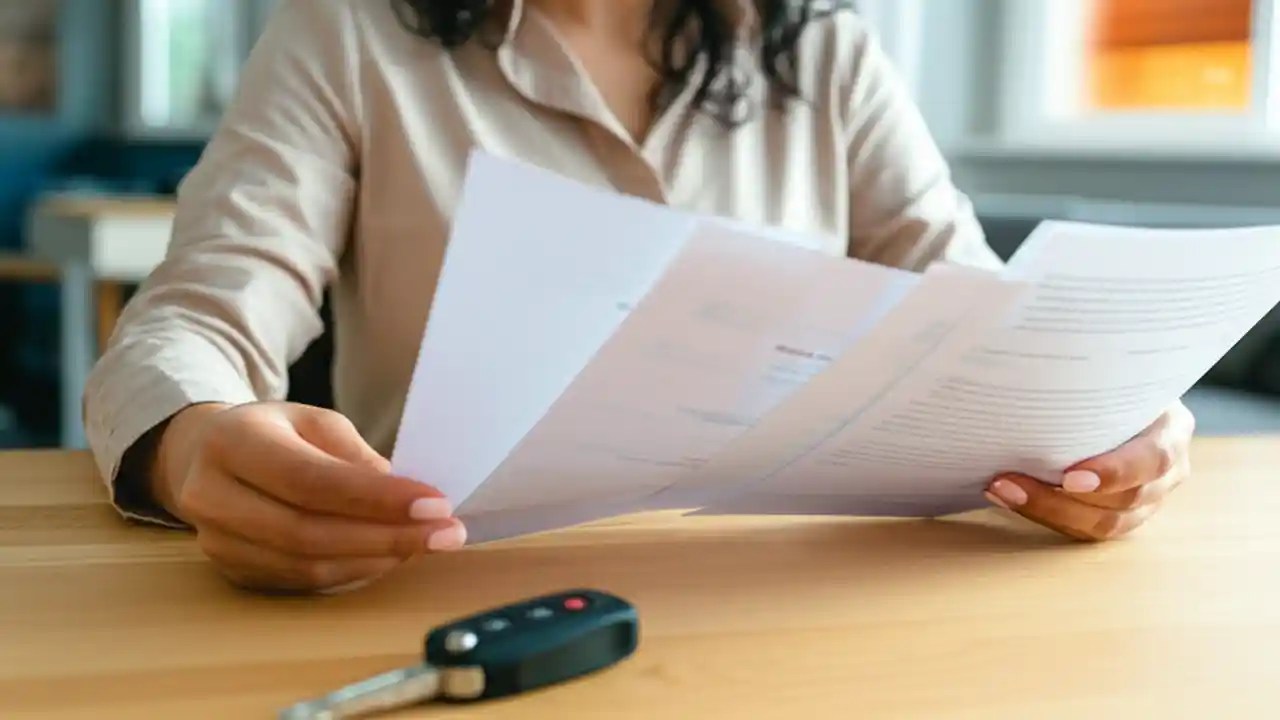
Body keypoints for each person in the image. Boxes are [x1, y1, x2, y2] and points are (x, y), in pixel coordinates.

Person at [84, 0, 1195, 594]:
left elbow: (988, 319)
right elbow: (200, 310)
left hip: (782, 596)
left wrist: (1104, 413)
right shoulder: (345, 31)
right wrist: (192, 444)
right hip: (446, 584)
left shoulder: (825, 53)